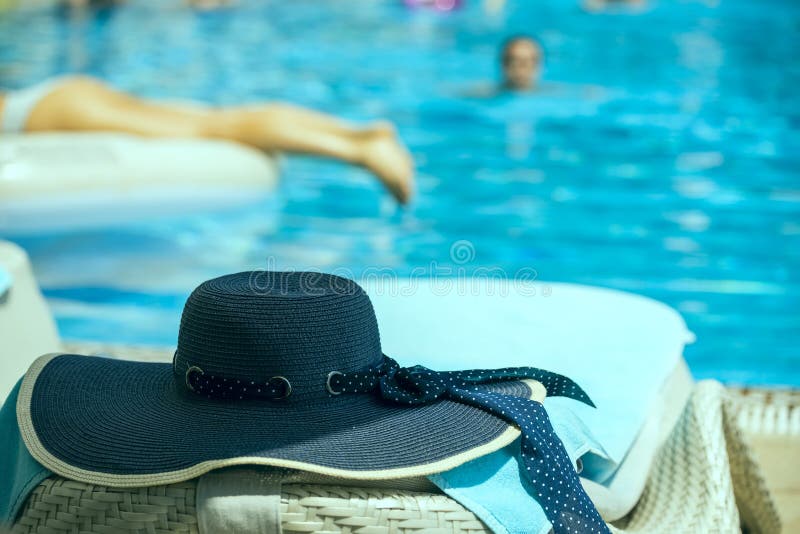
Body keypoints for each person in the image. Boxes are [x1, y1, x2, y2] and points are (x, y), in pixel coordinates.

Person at [0, 76, 414, 204]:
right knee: (213, 121)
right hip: (55, 98)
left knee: (214, 127)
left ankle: (358, 148)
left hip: (41, 113)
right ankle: (357, 136)